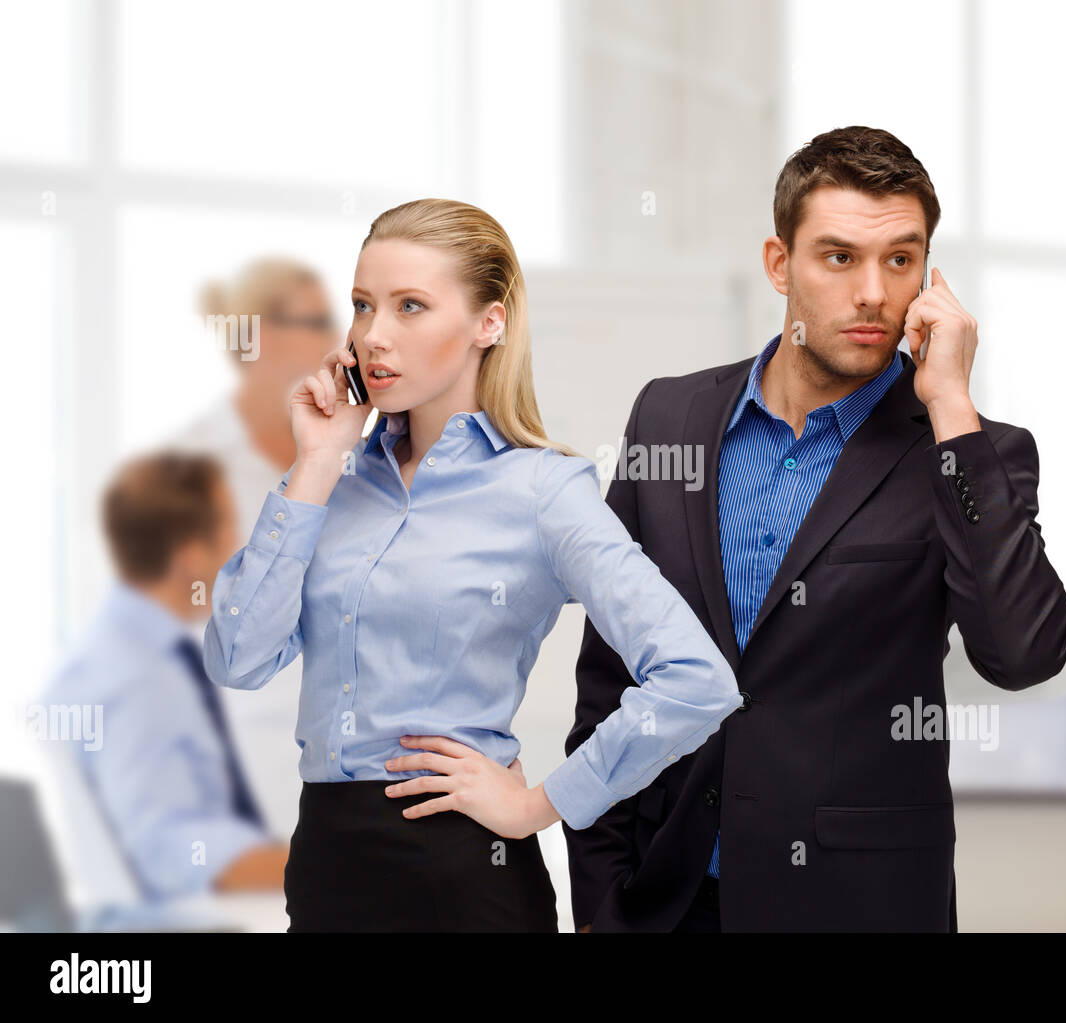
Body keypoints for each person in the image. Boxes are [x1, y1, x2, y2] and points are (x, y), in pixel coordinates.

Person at [563, 125, 1066, 932]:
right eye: (840, 257)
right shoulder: (669, 416)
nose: (873, 292)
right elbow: (610, 675)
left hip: (861, 906)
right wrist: (600, 902)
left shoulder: (970, 450)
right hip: (666, 902)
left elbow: (1024, 654)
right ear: (780, 264)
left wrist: (950, 404)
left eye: (900, 260)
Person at [202, 197, 743, 932]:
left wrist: (540, 803)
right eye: (363, 306)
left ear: (489, 323)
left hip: (462, 879)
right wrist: (317, 462)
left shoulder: (544, 489)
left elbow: (697, 679)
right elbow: (237, 658)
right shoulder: (333, 484)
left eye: (410, 306)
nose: (373, 335)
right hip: (325, 870)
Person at [44, 453, 288, 905]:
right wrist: (318, 868)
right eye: (229, 528)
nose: (240, 546)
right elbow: (166, 847)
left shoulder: (127, 652)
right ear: (191, 557)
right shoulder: (137, 677)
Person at [173, 258, 343, 841]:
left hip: (332, 750)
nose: (333, 336)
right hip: (231, 747)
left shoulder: (343, 450)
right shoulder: (195, 461)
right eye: (314, 321)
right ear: (262, 335)